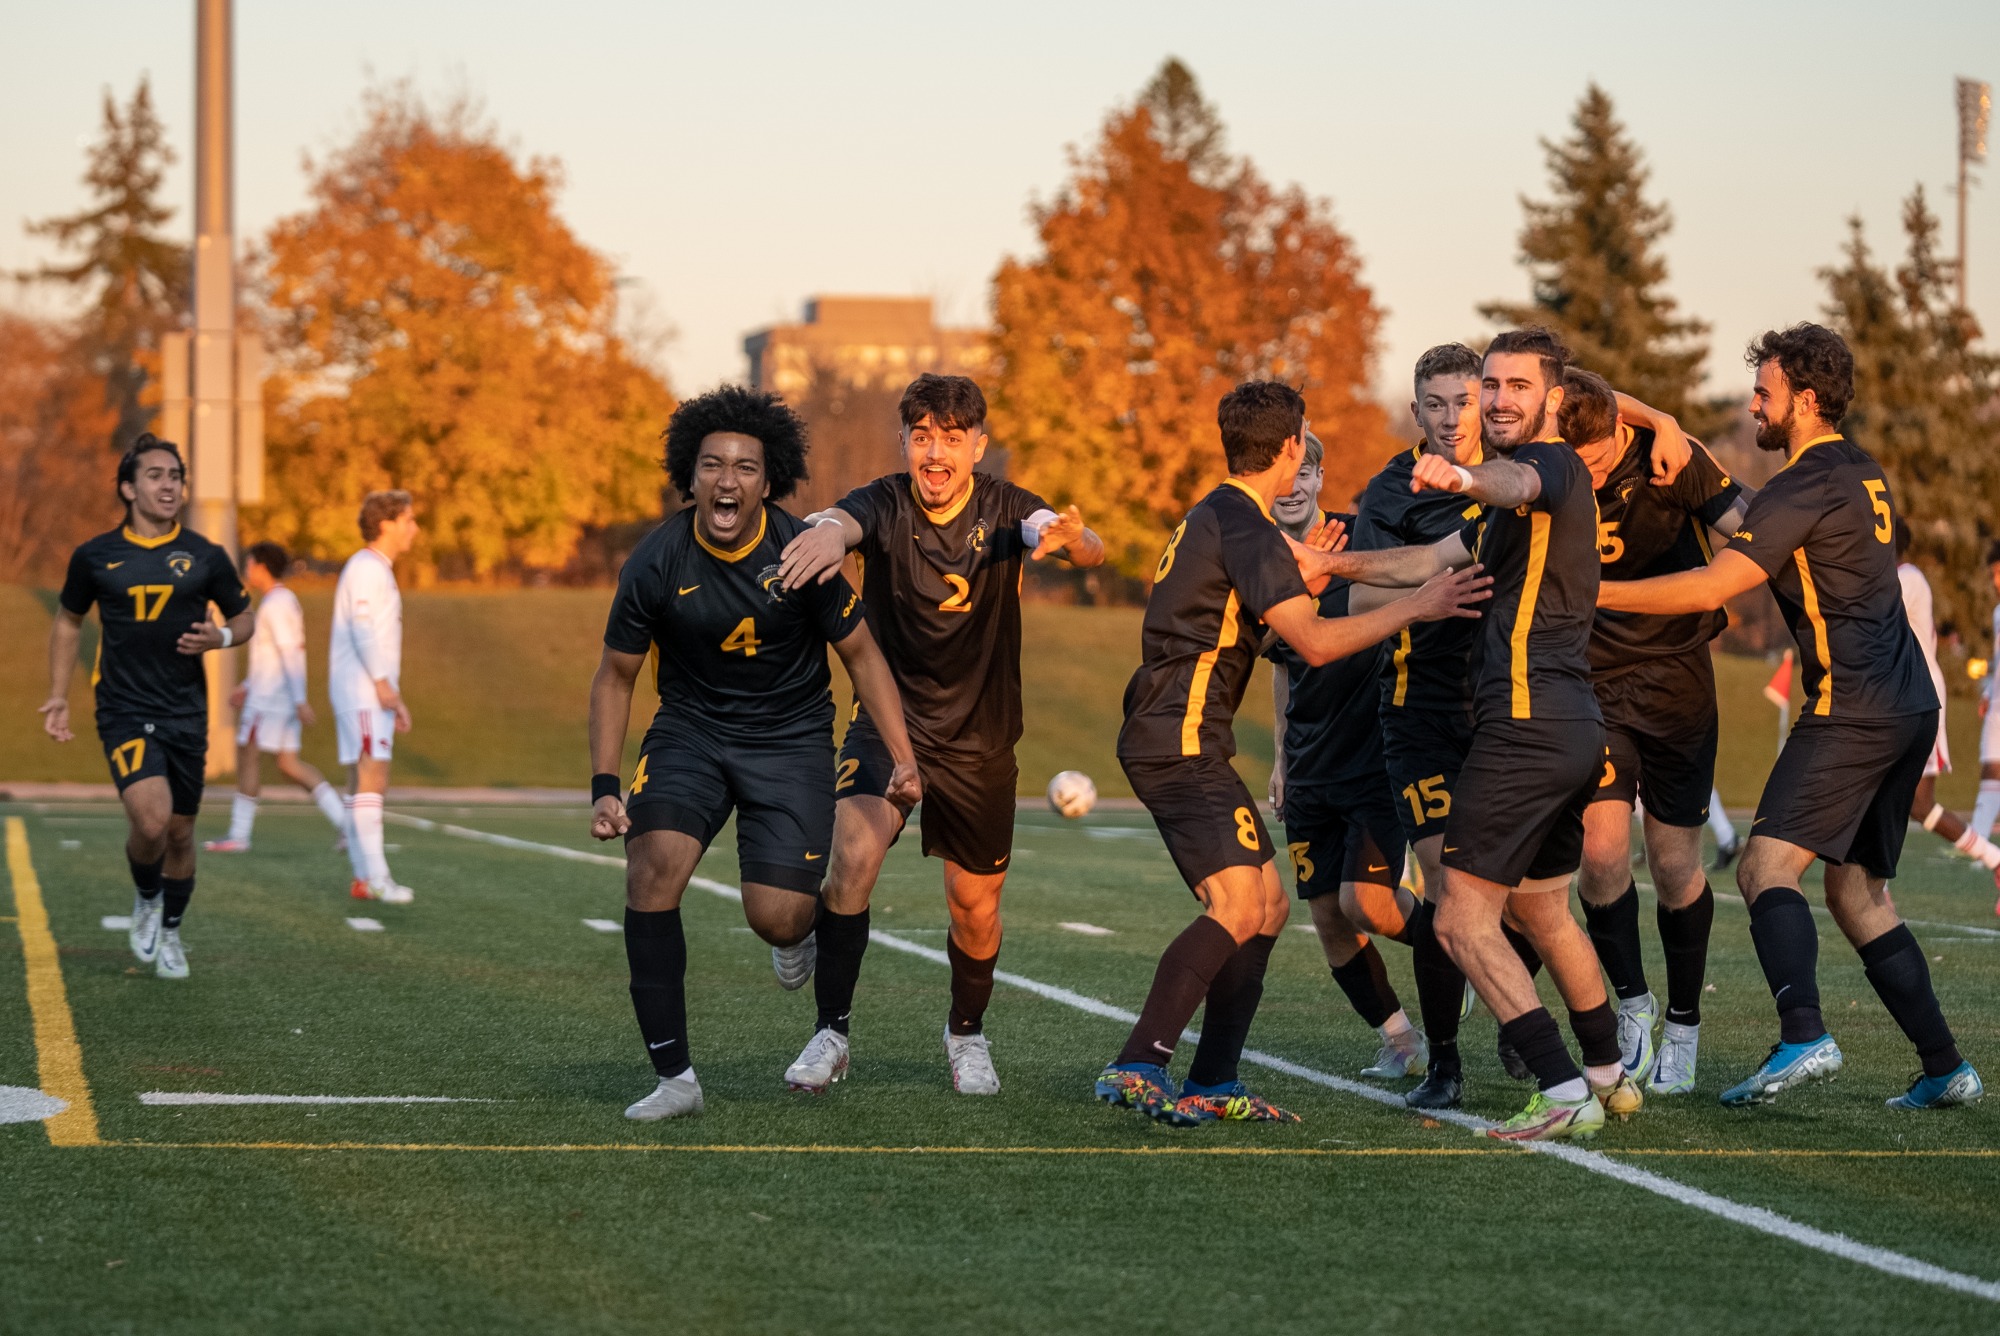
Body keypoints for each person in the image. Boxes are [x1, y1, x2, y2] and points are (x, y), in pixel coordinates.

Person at [1598, 322, 1981, 1110]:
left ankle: (1803, 1032)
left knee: (1764, 868)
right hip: (1907, 703)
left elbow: (1710, 588)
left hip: (1854, 706)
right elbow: (1754, 518)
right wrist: (1666, 426)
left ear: (1805, 400)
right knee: (1858, 894)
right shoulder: (1854, 468)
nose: (1755, 405)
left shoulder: (1801, 484)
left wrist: (1589, 595)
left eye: (1765, 392)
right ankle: (1947, 1066)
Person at [1093, 380, 1489, 1126]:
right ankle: (1139, 1062)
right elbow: (1309, 644)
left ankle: (1214, 1079)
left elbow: (1263, 633)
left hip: (1181, 734)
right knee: (1239, 903)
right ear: (1287, 447)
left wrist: (1306, 577)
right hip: (1178, 738)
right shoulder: (1243, 526)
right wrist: (1417, 605)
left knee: (1270, 906)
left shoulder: (1221, 516)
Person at [1310, 329, 1650, 1141]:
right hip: (1566, 726)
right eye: (1489, 384)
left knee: (1459, 919)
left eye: (1514, 387)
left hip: (1525, 726)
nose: (1497, 399)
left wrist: (1464, 475)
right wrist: (1321, 564)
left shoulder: (1551, 466)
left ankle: (1561, 1087)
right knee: (1543, 910)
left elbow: (1512, 478)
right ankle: (1609, 1073)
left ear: (1553, 399)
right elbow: (1426, 561)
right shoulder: (1507, 518)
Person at [588, 386, 921, 1121]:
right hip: (691, 734)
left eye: (744, 466)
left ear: (768, 482)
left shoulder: (804, 553)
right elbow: (616, 675)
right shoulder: (655, 559)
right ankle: (675, 1078)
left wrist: (902, 756)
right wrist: (605, 785)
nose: (727, 479)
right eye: (712, 465)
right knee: (650, 866)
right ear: (692, 475)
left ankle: (798, 933)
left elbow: (864, 658)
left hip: (791, 739)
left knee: (778, 917)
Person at [775, 373, 1103, 1096]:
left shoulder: (1008, 506)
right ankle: (831, 1032)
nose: (935, 452)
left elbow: (1074, 541)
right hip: (889, 723)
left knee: (975, 908)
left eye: (952, 438)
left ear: (977, 447)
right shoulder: (885, 500)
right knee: (854, 855)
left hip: (981, 739)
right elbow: (842, 519)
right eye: (922, 436)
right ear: (906, 442)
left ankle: (965, 1034)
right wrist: (826, 531)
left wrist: (1075, 540)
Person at [1559, 369, 1751, 1098]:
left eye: (1604, 452)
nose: (1594, 468)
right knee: (1602, 856)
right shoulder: (1549, 463)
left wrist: (1668, 424)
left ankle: (1685, 1022)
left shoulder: (1672, 457)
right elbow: (1562, 379)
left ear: (1622, 431)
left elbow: (1750, 525)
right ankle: (1632, 1006)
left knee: (1674, 869)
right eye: (1582, 457)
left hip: (1677, 683)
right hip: (1595, 684)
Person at [40, 433, 253, 979]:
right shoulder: (95, 556)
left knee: (181, 832)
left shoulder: (206, 556)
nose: (169, 485)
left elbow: (245, 617)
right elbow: (68, 622)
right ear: (128, 488)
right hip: (124, 708)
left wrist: (221, 639)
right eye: (155, 475)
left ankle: (173, 931)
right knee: (152, 819)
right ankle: (145, 897)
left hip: (186, 711)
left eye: (175, 476)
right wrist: (59, 696)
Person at [1267, 431, 1426, 1081]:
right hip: (1309, 766)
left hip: (1374, 759)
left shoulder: (1361, 537)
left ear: (1320, 479)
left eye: (1306, 471)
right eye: (1284, 472)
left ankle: (1464, 948)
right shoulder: (1257, 559)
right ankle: (1399, 1039)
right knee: (1331, 919)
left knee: (1372, 906)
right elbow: (1281, 668)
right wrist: (1280, 757)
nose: (1294, 484)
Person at [202, 542, 349, 853]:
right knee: (288, 764)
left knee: (247, 757)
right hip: (273, 695)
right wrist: (247, 684)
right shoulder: (281, 601)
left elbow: (289, 653)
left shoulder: (276, 604)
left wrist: (298, 699)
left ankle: (238, 836)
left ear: (260, 566)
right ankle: (347, 826)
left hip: (270, 700)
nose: (247, 568)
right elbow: (272, 656)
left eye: (249, 562)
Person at [1895, 519, 2000, 884]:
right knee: (1905, 801)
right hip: (1900, 700)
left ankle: (1993, 857)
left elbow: (1867, 611)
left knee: (1920, 804)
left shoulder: (1907, 577)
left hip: (1921, 700)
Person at [330, 491, 420, 903]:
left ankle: (364, 878)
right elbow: (362, 628)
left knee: (359, 780)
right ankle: (378, 878)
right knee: (372, 777)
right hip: (363, 690)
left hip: (364, 689)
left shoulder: (372, 568)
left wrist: (390, 691)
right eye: (408, 520)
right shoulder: (368, 568)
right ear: (385, 524)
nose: (414, 529)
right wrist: (384, 686)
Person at [1971, 541, 2000, 855]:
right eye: (1994, 573)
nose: (1996, 581)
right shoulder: (1997, 612)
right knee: (1991, 768)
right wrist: (1989, 691)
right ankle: (1978, 844)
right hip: (1997, 705)